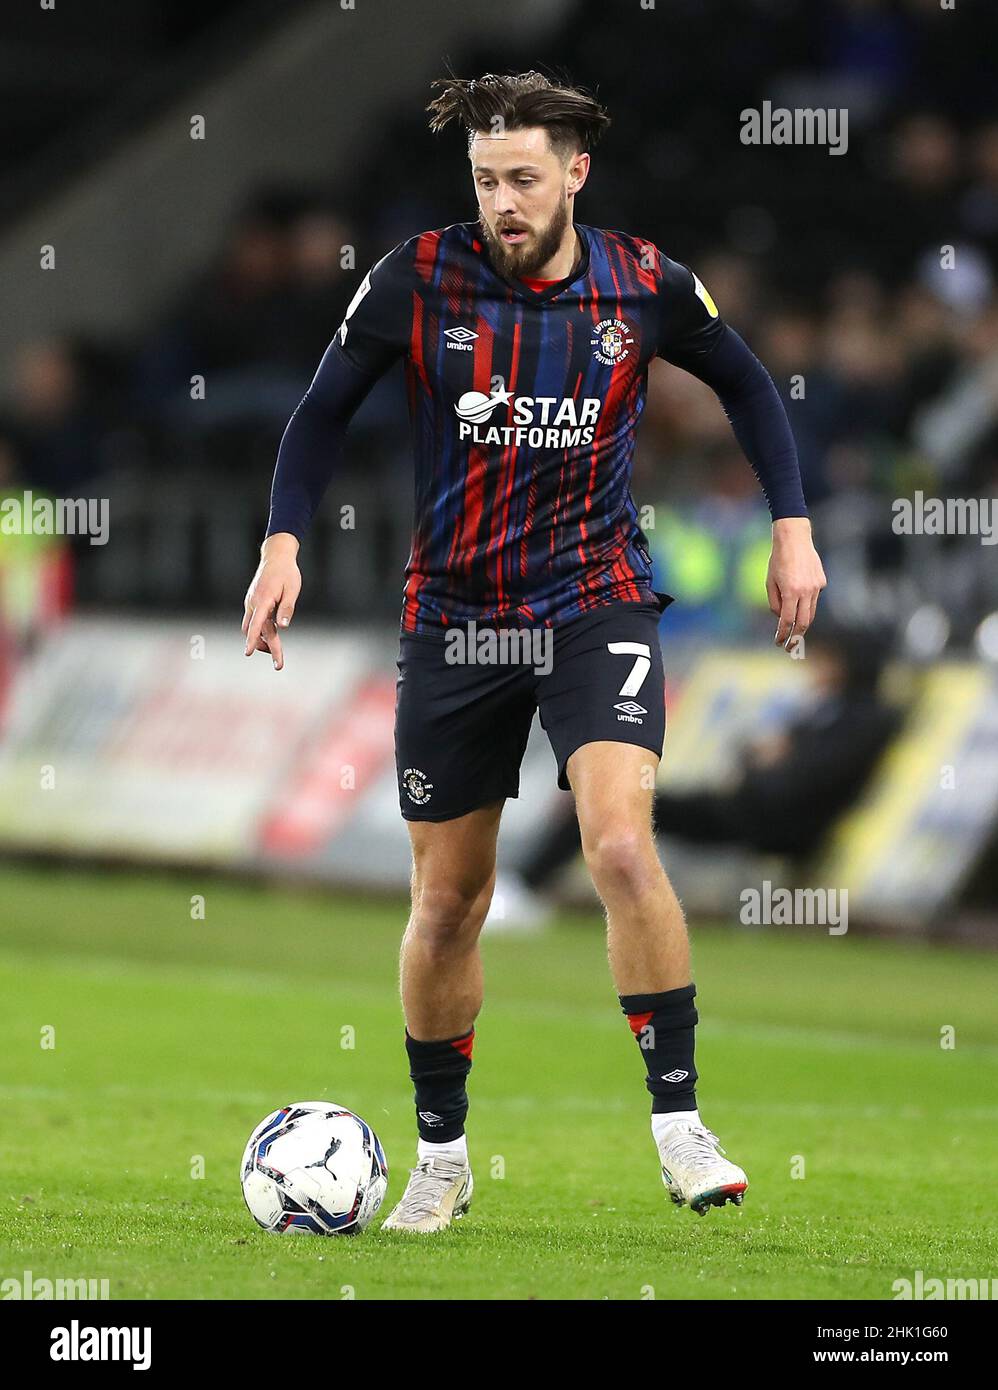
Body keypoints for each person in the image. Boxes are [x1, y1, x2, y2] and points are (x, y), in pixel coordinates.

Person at [242, 71, 826, 1230]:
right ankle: (442, 1158)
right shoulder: (416, 277)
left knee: (616, 841)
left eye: (520, 177)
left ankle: (679, 1126)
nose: (499, 201)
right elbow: (318, 412)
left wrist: (792, 530)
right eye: (482, 180)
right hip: (455, 615)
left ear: (574, 173)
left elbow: (750, 387)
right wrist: (281, 541)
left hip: (590, 602)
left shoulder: (643, 283)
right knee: (449, 901)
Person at [491, 627, 898, 926]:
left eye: (826, 659)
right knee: (621, 806)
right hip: (749, 807)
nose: (815, 667)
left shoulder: (864, 721)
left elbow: (799, 784)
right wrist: (762, 759)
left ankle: (525, 888)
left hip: (774, 821)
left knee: (620, 808)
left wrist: (765, 764)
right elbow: (764, 759)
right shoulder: (825, 711)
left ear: (849, 664)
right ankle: (526, 886)